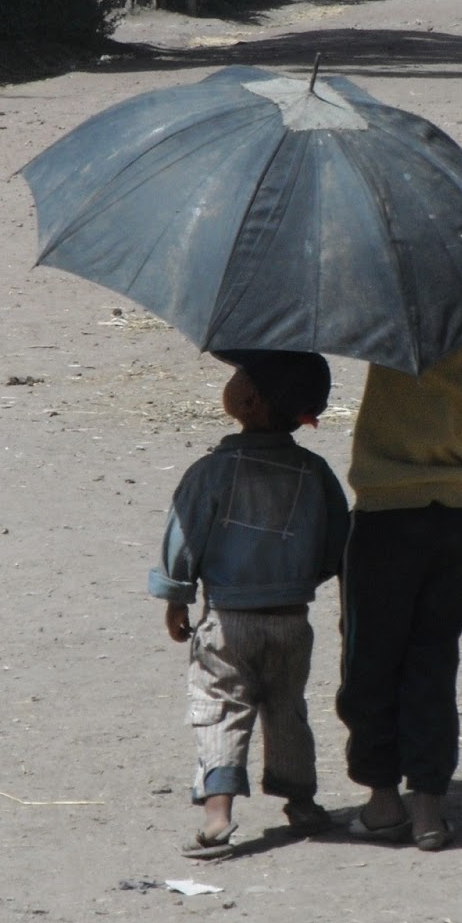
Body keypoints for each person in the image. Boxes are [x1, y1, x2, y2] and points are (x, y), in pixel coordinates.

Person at [149, 349, 350, 858]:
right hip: (291, 621)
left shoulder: (212, 472)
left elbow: (183, 538)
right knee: (287, 712)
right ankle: (301, 803)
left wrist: (176, 597)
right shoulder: (315, 472)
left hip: (227, 623)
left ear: (250, 401)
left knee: (220, 708)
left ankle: (218, 815)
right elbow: (337, 544)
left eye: (238, 375)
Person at [336, 330, 462, 852]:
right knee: (433, 662)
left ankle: (381, 799)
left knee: (369, 659)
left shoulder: (391, 333)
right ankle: (428, 808)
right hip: (454, 525)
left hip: (383, 523)